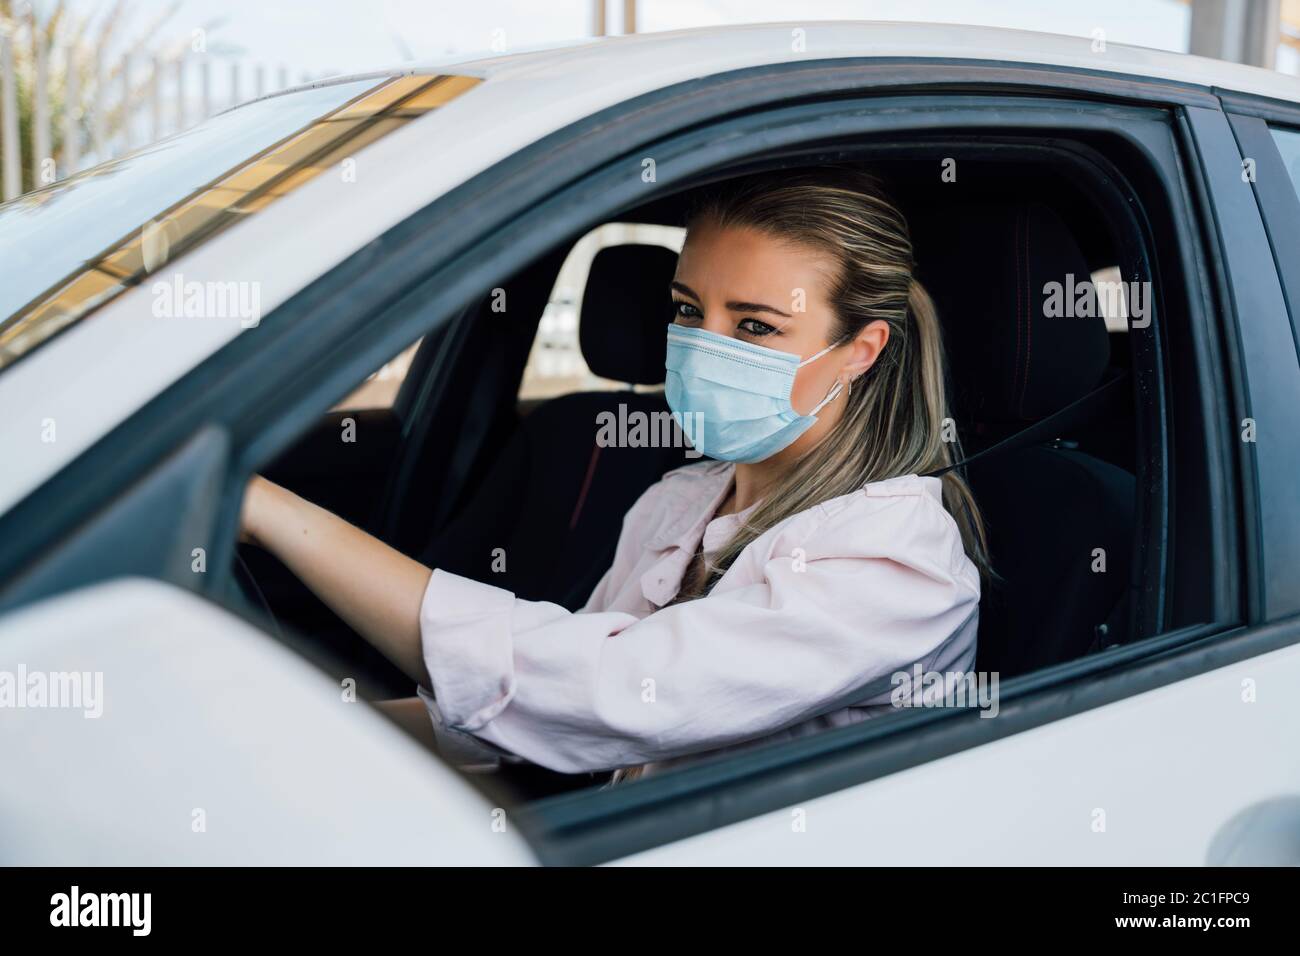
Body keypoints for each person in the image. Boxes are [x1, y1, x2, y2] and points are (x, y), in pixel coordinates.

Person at [239, 166, 989, 783]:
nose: (701, 346)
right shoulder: (681, 499)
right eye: (688, 311)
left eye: (755, 325)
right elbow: (537, 712)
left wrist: (279, 515)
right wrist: (293, 751)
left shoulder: (898, 558)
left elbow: (606, 691)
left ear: (860, 350)